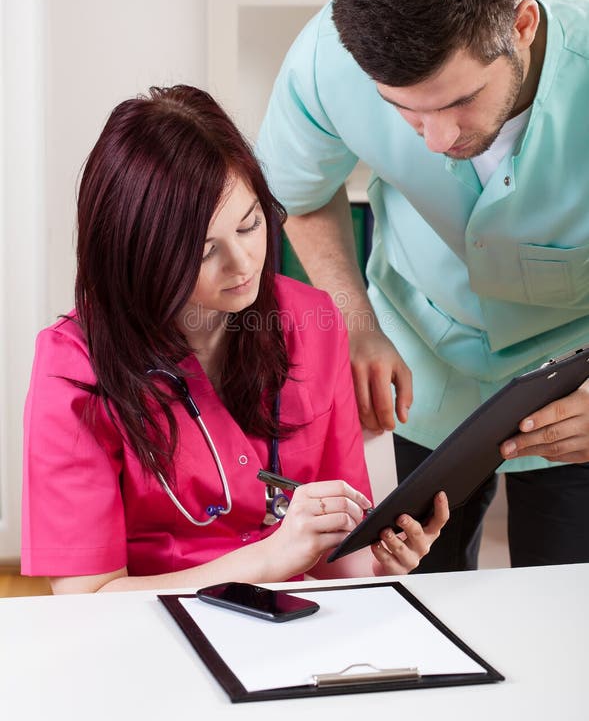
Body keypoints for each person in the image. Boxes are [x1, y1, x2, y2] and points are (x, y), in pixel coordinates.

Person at [256, 0, 589, 571]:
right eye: (401, 110)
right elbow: (299, 195)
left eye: (457, 101)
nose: (438, 140)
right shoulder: (327, 57)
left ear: (519, 27)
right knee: (422, 592)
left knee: (567, 599)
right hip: (426, 351)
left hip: (574, 370)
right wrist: (356, 323)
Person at [21, 85, 448, 594]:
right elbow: (86, 598)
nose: (244, 265)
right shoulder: (72, 367)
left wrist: (382, 560)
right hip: (151, 641)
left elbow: (337, 556)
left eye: (249, 226)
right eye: (204, 252)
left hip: (292, 630)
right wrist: (267, 560)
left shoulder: (313, 324)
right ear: (140, 254)